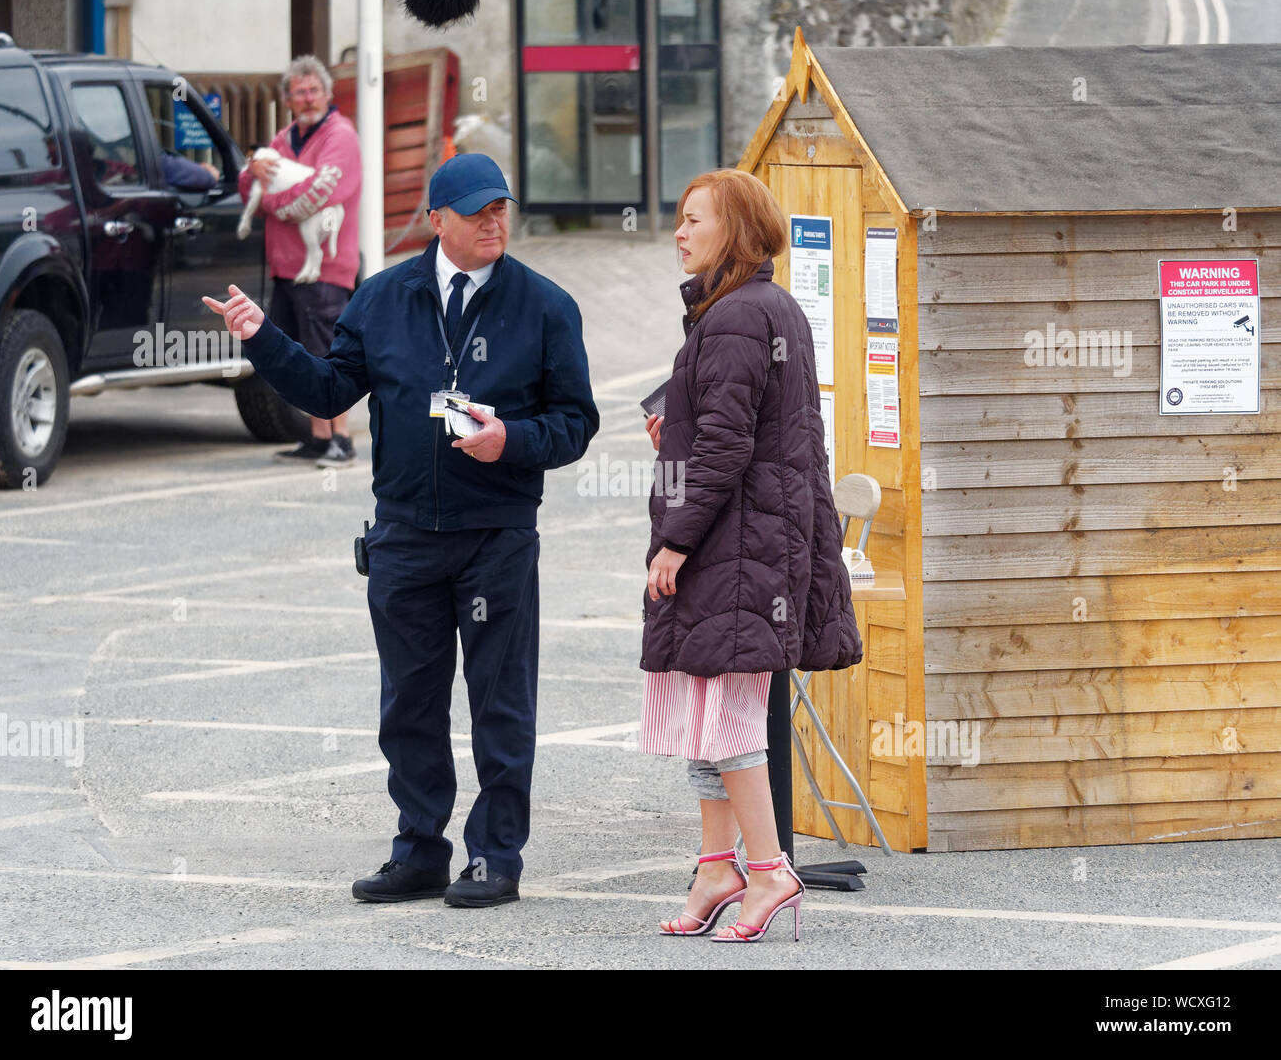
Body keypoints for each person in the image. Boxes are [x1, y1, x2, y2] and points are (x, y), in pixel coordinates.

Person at [203, 152, 599, 908]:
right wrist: (261, 338)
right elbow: (328, 387)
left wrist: (509, 439)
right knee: (410, 705)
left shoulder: (547, 307)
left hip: (497, 537)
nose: (494, 221)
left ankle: (494, 856)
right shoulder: (382, 299)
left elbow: (576, 421)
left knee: (501, 704)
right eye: (478, 210)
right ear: (437, 219)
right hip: (405, 537)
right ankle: (419, 848)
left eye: (502, 208)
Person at [640, 168, 862, 942]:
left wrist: (674, 540)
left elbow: (732, 448)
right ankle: (715, 864)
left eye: (694, 218)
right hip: (746, 543)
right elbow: (744, 432)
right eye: (678, 217)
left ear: (733, 229)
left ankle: (765, 869)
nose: (680, 230)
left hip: (737, 551)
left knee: (728, 713)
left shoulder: (737, 317)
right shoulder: (751, 311)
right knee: (704, 704)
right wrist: (680, 430)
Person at [238, 54, 361, 468]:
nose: (307, 98)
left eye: (314, 90)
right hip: (286, 269)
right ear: (289, 99)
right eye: (299, 92)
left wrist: (269, 202)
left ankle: (341, 440)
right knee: (301, 356)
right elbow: (245, 183)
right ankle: (316, 437)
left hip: (325, 269)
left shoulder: (341, 136)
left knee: (329, 354)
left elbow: (322, 192)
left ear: (329, 94)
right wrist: (254, 167)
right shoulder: (283, 139)